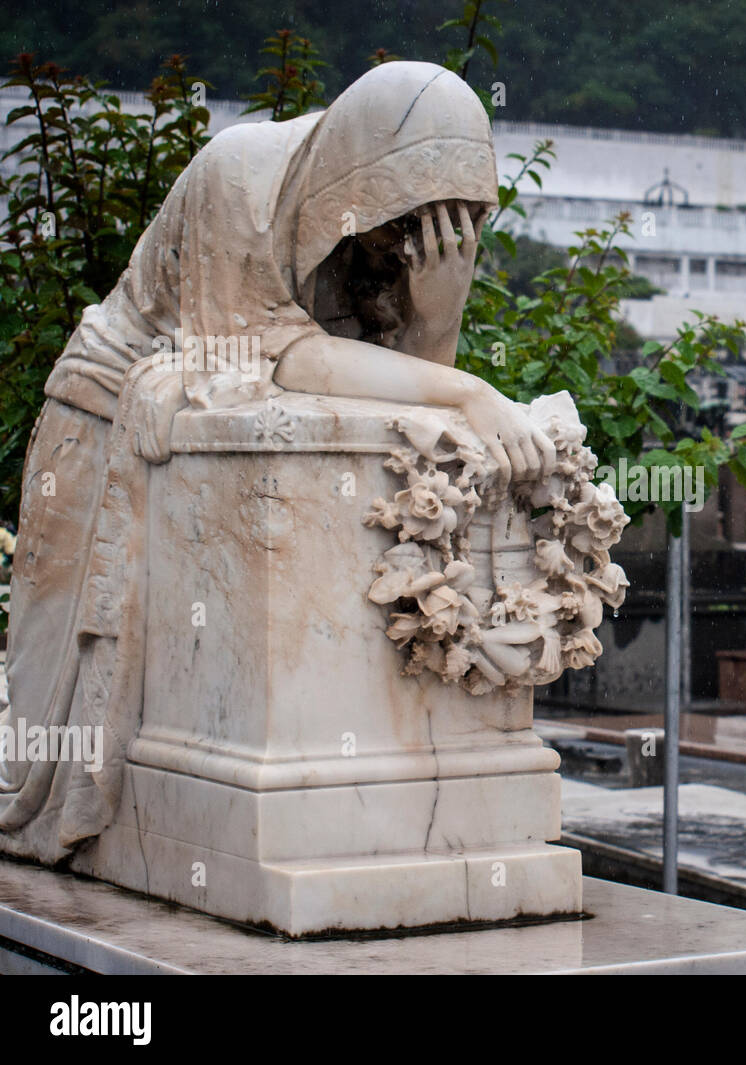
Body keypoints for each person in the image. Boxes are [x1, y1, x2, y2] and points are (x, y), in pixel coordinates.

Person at [0, 61, 552, 862]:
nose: (409, 249)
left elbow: (393, 394)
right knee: (46, 738)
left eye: (440, 231)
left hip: (190, 456)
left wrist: (441, 318)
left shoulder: (377, 251)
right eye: (408, 223)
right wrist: (470, 392)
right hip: (97, 429)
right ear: (362, 177)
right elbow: (280, 357)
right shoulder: (244, 176)